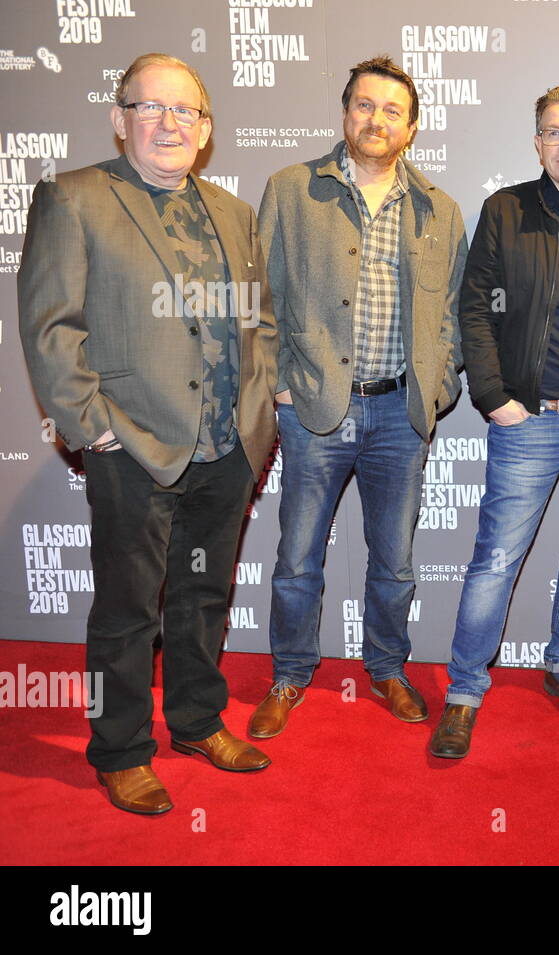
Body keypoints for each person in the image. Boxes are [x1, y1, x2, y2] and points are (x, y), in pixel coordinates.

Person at [18, 53, 278, 814]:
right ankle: (121, 749)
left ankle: (197, 719)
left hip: (226, 448)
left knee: (203, 595)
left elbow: (257, 321)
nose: (170, 124)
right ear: (119, 118)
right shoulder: (74, 198)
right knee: (128, 609)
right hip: (131, 446)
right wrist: (88, 425)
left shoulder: (233, 212)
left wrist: (256, 423)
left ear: (206, 131)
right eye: (151, 108)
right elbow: (49, 324)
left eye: (186, 112)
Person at [250, 56, 466, 737]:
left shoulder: (440, 208)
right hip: (315, 408)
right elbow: (261, 295)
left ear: (412, 126)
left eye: (392, 110)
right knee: (297, 556)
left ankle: (388, 668)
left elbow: (454, 313)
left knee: (395, 559)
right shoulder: (291, 189)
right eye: (365, 106)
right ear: (346, 113)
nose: (377, 120)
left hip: (400, 413)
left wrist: (440, 384)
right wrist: (276, 376)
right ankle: (288, 675)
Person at [431, 84, 559, 759]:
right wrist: (494, 397)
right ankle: (464, 691)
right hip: (531, 420)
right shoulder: (505, 210)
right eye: (553, 131)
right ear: (537, 142)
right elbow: (475, 310)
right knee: (495, 559)